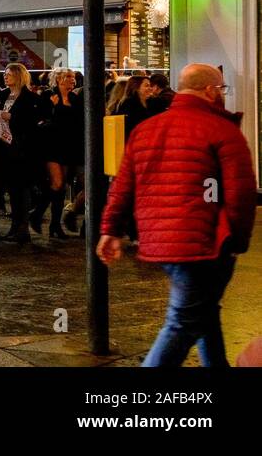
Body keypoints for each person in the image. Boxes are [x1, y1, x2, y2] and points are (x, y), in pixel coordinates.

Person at [99, 64, 256, 367]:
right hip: (204, 242)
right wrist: (237, 239)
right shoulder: (221, 129)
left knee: (203, 311)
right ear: (210, 90)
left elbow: (123, 184)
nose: (222, 95)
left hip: (160, 240)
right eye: (221, 89)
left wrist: (111, 229)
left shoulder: (147, 129)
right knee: (183, 321)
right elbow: (240, 194)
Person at [0, 62, 45, 243]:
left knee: (21, 189)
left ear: (19, 76)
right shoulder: (3, 95)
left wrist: (13, 118)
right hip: (5, 147)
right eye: (5, 74)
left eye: (9, 74)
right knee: (12, 189)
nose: (5, 76)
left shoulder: (30, 98)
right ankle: (15, 226)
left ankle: (22, 228)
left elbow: (34, 122)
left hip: (22, 149)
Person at [32, 67, 83, 239]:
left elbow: (78, 121)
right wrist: (54, 109)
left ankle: (54, 224)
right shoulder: (48, 96)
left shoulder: (75, 98)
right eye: (68, 77)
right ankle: (38, 214)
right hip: (51, 145)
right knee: (57, 183)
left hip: (68, 146)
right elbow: (43, 119)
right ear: (59, 79)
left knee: (61, 188)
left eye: (73, 77)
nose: (72, 80)